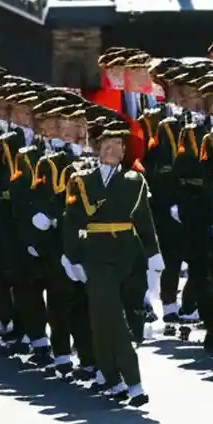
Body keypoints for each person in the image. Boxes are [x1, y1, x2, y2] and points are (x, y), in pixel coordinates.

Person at [62, 127, 164, 407]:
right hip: (95, 257)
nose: (112, 149)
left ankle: (110, 377)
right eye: (106, 144)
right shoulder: (82, 180)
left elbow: (143, 219)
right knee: (114, 319)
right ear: (97, 149)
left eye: (117, 144)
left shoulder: (134, 180)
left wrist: (154, 253)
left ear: (123, 151)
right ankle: (134, 383)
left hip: (128, 256)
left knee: (102, 318)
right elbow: (71, 220)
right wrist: (70, 256)